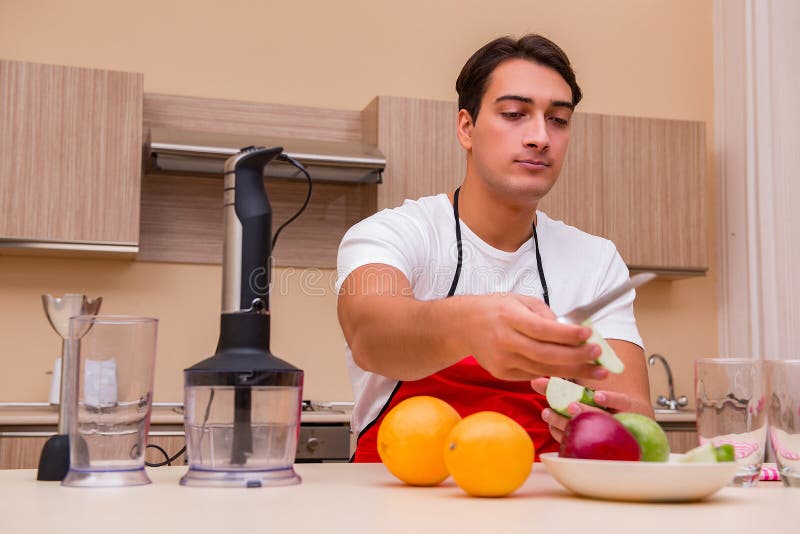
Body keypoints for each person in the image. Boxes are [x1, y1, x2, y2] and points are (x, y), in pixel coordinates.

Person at [336, 34, 653, 462]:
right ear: (466, 128)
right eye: (514, 114)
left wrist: (614, 425)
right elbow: (370, 337)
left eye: (558, 120)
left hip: (543, 505)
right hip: (399, 499)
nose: (541, 137)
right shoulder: (394, 234)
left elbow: (636, 420)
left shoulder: (595, 260)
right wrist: (472, 324)